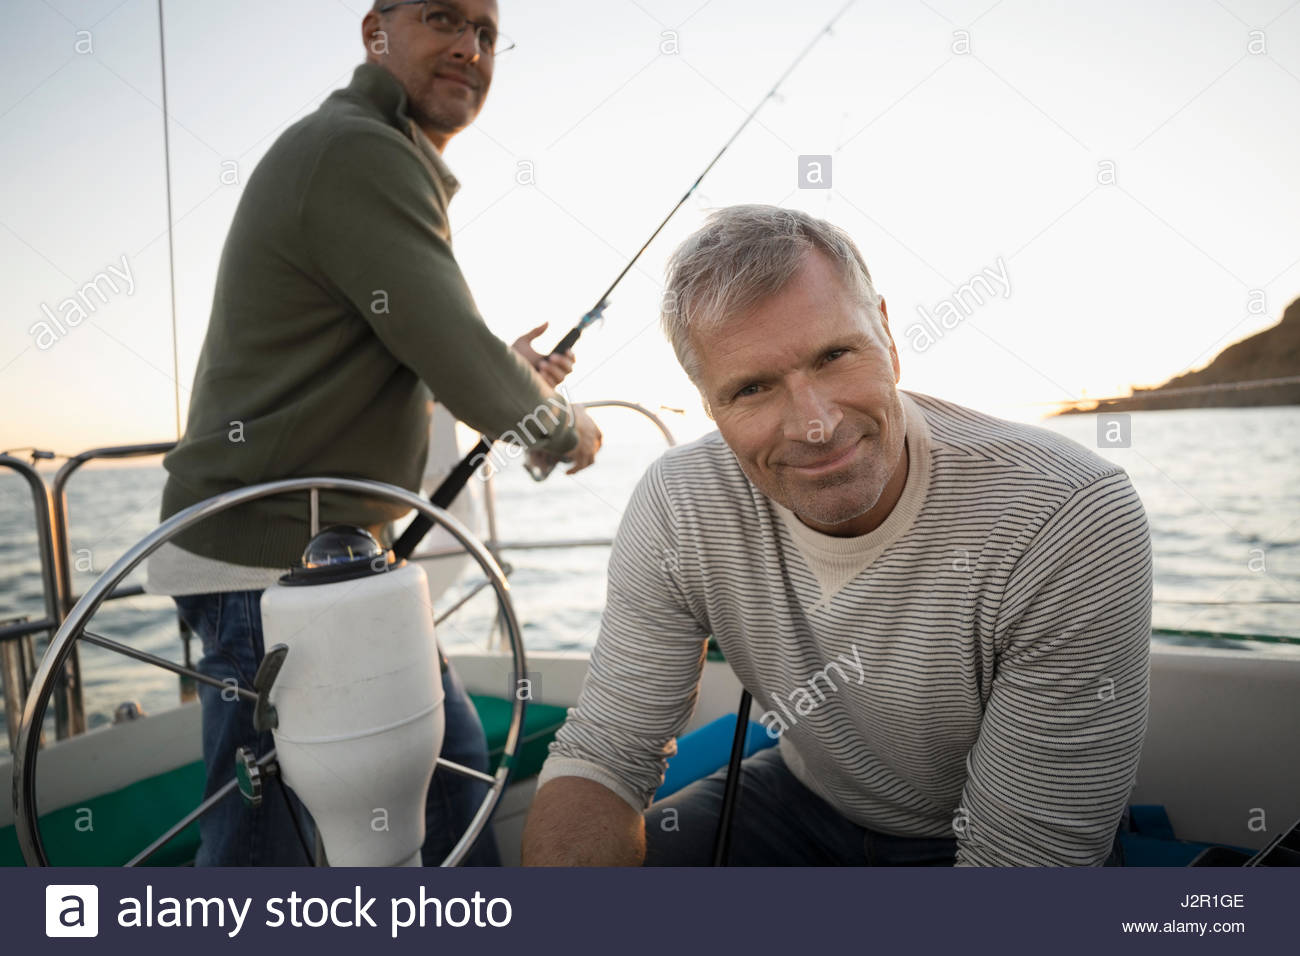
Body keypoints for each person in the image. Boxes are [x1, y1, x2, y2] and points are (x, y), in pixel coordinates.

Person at [522, 204, 1151, 867]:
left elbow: (1024, 860)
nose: (814, 425)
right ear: (708, 404)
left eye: (833, 356)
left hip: (973, 840)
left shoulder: (1067, 513)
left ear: (887, 336)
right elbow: (606, 753)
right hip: (796, 800)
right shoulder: (681, 504)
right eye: (753, 388)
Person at [146, 0, 602, 866]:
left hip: (342, 562)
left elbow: (410, 342)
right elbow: (454, 350)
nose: (470, 47)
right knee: (260, 851)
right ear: (376, 32)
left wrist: (495, 370)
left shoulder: (364, 148)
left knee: (451, 778)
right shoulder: (359, 151)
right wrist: (562, 431)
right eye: (444, 18)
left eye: (488, 33)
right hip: (268, 564)